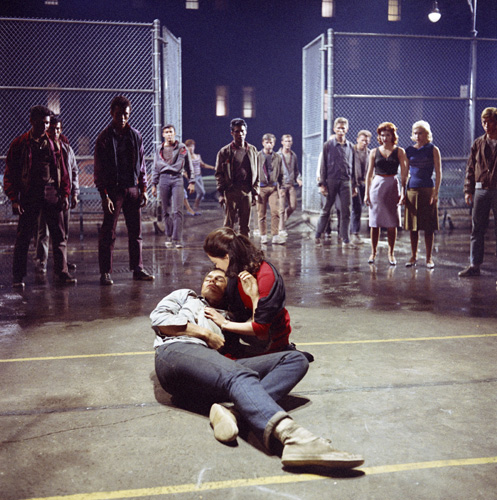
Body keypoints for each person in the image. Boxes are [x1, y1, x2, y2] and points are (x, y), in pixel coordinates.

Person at [151, 268, 364, 469]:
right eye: (208, 277)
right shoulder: (185, 296)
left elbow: (263, 339)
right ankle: (295, 439)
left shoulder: (230, 316)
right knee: (239, 375)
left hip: (212, 372)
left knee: (295, 360)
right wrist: (205, 334)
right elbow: (160, 320)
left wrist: (252, 301)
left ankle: (234, 412)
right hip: (176, 353)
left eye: (219, 279)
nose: (212, 280)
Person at [203, 227, 309, 359]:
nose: (217, 267)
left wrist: (253, 297)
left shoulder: (266, 277)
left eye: (215, 262)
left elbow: (261, 330)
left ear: (227, 257)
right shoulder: (237, 269)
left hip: (269, 336)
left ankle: (282, 352)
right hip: (248, 323)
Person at [4, 105, 75, 288]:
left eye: (47, 123)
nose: (45, 127)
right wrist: (14, 199)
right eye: (42, 123)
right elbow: (10, 174)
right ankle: (18, 277)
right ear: (32, 122)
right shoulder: (19, 144)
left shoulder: (53, 144)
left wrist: (65, 194)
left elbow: (63, 171)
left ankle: (62, 272)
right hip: (30, 195)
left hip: (52, 193)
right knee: (24, 237)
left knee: (59, 236)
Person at [94, 95, 155, 285]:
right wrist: (104, 195)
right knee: (108, 232)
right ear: (112, 113)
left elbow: (142, 165)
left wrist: (143, 189)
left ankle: (137, 268)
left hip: (132, 189)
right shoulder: (104, 137)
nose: (122, 118)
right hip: (113, 191)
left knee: (136, 231)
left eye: (126, 114)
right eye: (119, 114)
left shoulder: (135, 135)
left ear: (129, 114)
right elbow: (99, 170)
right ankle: (105, 272)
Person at [34, 116, 79, 274]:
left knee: (63, 231)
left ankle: (62, 261)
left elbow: (73, 171)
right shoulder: (41, 147)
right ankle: (42, 260)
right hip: (46, 194)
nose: (55, 131)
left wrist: (74, 193)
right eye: (52, 128)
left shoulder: (66, 148)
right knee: (43, 230)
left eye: (58, 129)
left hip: (63, 194)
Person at [459, 107, 497, 277]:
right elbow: (470, 168)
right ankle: (474, 265)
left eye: (490, 121)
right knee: (477, 229)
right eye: (483, 122)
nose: (486, 125)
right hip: (481, 190)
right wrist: (468, 190)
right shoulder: (478, 143)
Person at [364, 122, 408, 265]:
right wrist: (366, 193)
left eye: (387, 135)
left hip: (392, 186)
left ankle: (391, 253)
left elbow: (404, 174)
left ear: (393, 136)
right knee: (375, 222)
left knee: (391, 222)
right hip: (377, 186)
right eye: (382, 135)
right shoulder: (374, 152)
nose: (384, 138)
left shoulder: (399, 151)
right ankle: (373, 252)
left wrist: (403, 192)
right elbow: (369, 174)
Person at [404, 121, 442, 268]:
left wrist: (436, 192)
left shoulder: (433, 149)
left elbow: (438, 172)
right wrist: (403, 192)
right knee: (413, 226)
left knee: (428, 226)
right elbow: (405, 173)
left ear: (427, 134)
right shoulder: (409, 150)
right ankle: (413, 257)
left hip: (427, 190)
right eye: (415, 133)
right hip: (412, 190)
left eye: (420, 133)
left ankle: (428, 258)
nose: (417, 136)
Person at [315, 117, 357, 247]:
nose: (340, 130)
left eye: (343, 128)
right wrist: (322, 183)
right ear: (334, 129)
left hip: (345, 181)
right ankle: (318, 234)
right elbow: (323, 165)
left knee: (346, 210)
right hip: (331, 181)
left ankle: (345, 238)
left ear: (347, 130)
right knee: (327, 209)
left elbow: (353, 166)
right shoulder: (328, 145)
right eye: (338, 128)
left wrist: (354, 185)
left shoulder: (350, 146)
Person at [151, 125, 194, 248]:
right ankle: (169, 236)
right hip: (163, 179)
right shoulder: (159, 150)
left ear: (175, 133)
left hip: (177, 179)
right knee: (166, 210)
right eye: (166, 132)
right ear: (163, 135)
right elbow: (155, 168)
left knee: (178, 210)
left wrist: (191, 182)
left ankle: (177, 239)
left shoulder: (182, 148)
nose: (169, 134)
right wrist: (154, 185)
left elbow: (189, 166)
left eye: (171, 132)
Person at [215, 118, 259, 238]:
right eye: (237, 131)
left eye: (242, 131)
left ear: (246, 132)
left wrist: (255, 191)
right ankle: (226, 248)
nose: (240, 134)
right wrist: (222, 193)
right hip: (232, 190)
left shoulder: (253, 150)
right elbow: (219, 174)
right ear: (232, 133)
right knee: (229, 224)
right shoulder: (224, 152)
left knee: (245, 225)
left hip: (247, 191)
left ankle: (243, 249)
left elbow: (257, 172)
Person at [257, 133, 285, 245]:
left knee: (275, 212)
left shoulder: (277, 157)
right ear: (263, 143)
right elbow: (252, 173)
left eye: (271, 142)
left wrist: (282, 187)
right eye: (267, 142)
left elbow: (281, 173)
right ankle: (263, 235)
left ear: (274, 143)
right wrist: (254, 189)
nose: (269, 145)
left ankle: (275, 235)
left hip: (273, 188)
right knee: (261, 214)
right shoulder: (257, 156)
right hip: (261, 188)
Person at [277, 134, 302, 239]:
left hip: (291, 185)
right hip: (281, 185)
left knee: (293, 206)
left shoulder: (293, 155)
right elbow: (275, 171)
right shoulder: (277, 156)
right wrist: (278, 185)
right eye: (286, 141)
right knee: (281, 208)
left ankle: (282, 220)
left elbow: (296, 170)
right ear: (282, 142)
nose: (288, 143)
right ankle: (281, 228)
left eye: (290, 141)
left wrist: (299, 178)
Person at [351, 130, 372, 245]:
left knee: (366, 206)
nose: (365, 143)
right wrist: (352, 185)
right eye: (363, 140)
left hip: (365, 183)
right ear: (357, 139)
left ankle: (358, 233)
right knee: (356, 208)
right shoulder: (352, 151)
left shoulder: (369, 152)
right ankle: (354, 234)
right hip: (354, 183)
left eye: (367, 141)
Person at [185, 139, 215, 214]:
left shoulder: (197, 156)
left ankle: (195, 208)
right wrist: (190, 179)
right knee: (202, 192)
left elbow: (203, 165)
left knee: (201, 193)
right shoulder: (185, 157)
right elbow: (184, 170)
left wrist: (213, 167)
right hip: (193, 177)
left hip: (199, 176)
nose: (190, 148)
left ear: (194, 147)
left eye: (192, 146)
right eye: (188, 146)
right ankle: (195, 207)